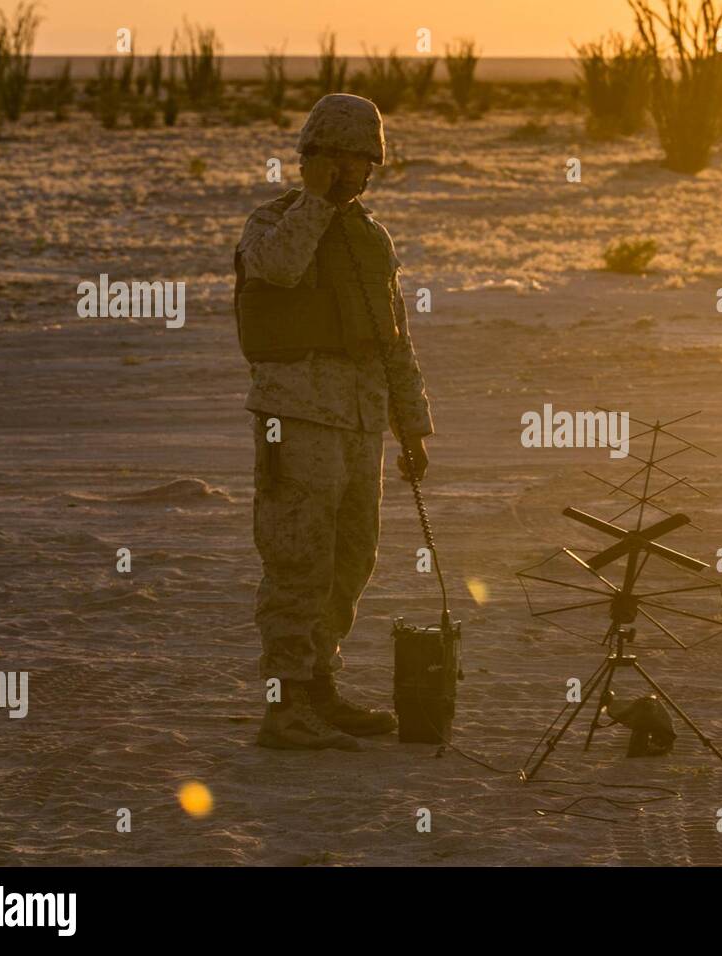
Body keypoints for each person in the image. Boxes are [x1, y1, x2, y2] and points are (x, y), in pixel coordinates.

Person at [235, 94, 434, 750]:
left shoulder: (371, 239)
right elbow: (282, 268)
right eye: (353, 158)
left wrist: (413, 424)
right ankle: (284, 703)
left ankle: (318, 687)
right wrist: (317, 200)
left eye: (372, 161)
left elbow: (394, 337)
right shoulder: (273, 223)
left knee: (353, 558)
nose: (367, 172)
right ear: (319, 159)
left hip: (360, 424)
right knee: (298, 560)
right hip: (296, 423)